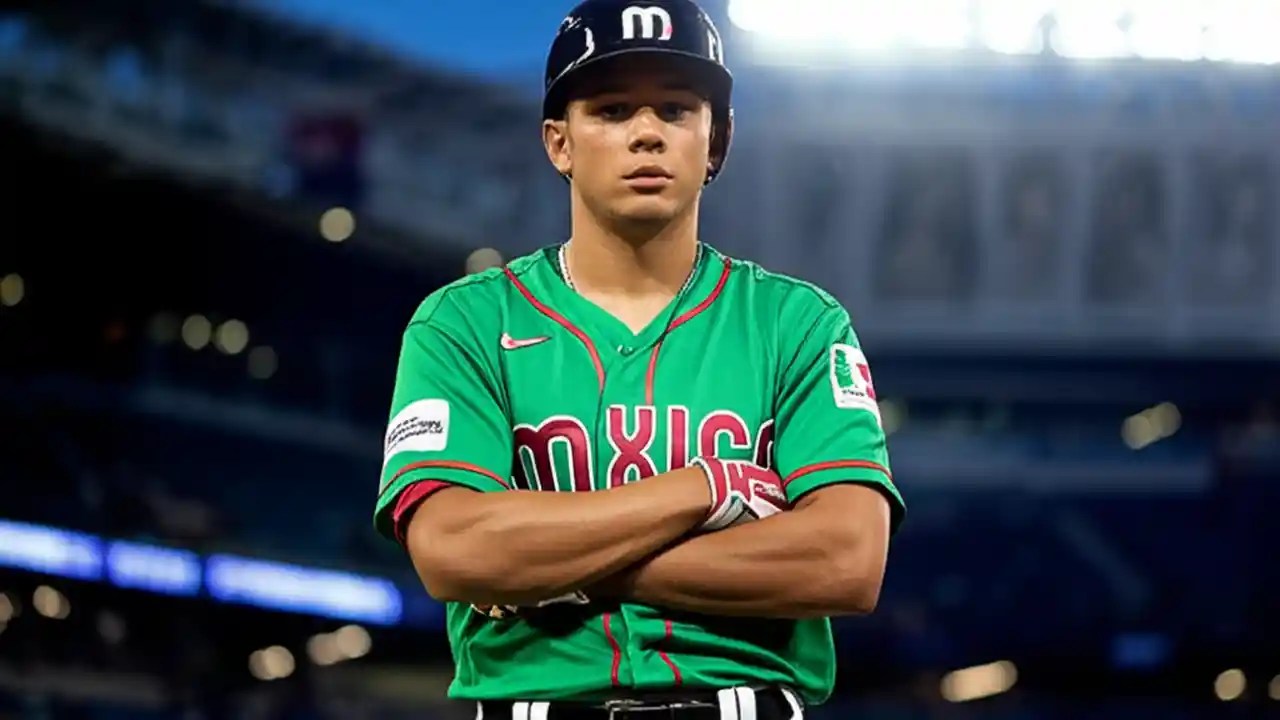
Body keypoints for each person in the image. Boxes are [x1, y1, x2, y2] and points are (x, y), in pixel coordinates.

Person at [373, 1, 905, 718]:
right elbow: (453, 553)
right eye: (614, 110)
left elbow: (845, 560)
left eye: (678, 110)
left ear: (717, 141)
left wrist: (554, 569)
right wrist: (703, 487)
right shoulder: (463, 323)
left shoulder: (798, 323)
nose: (647, 133)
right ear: (559, 143)